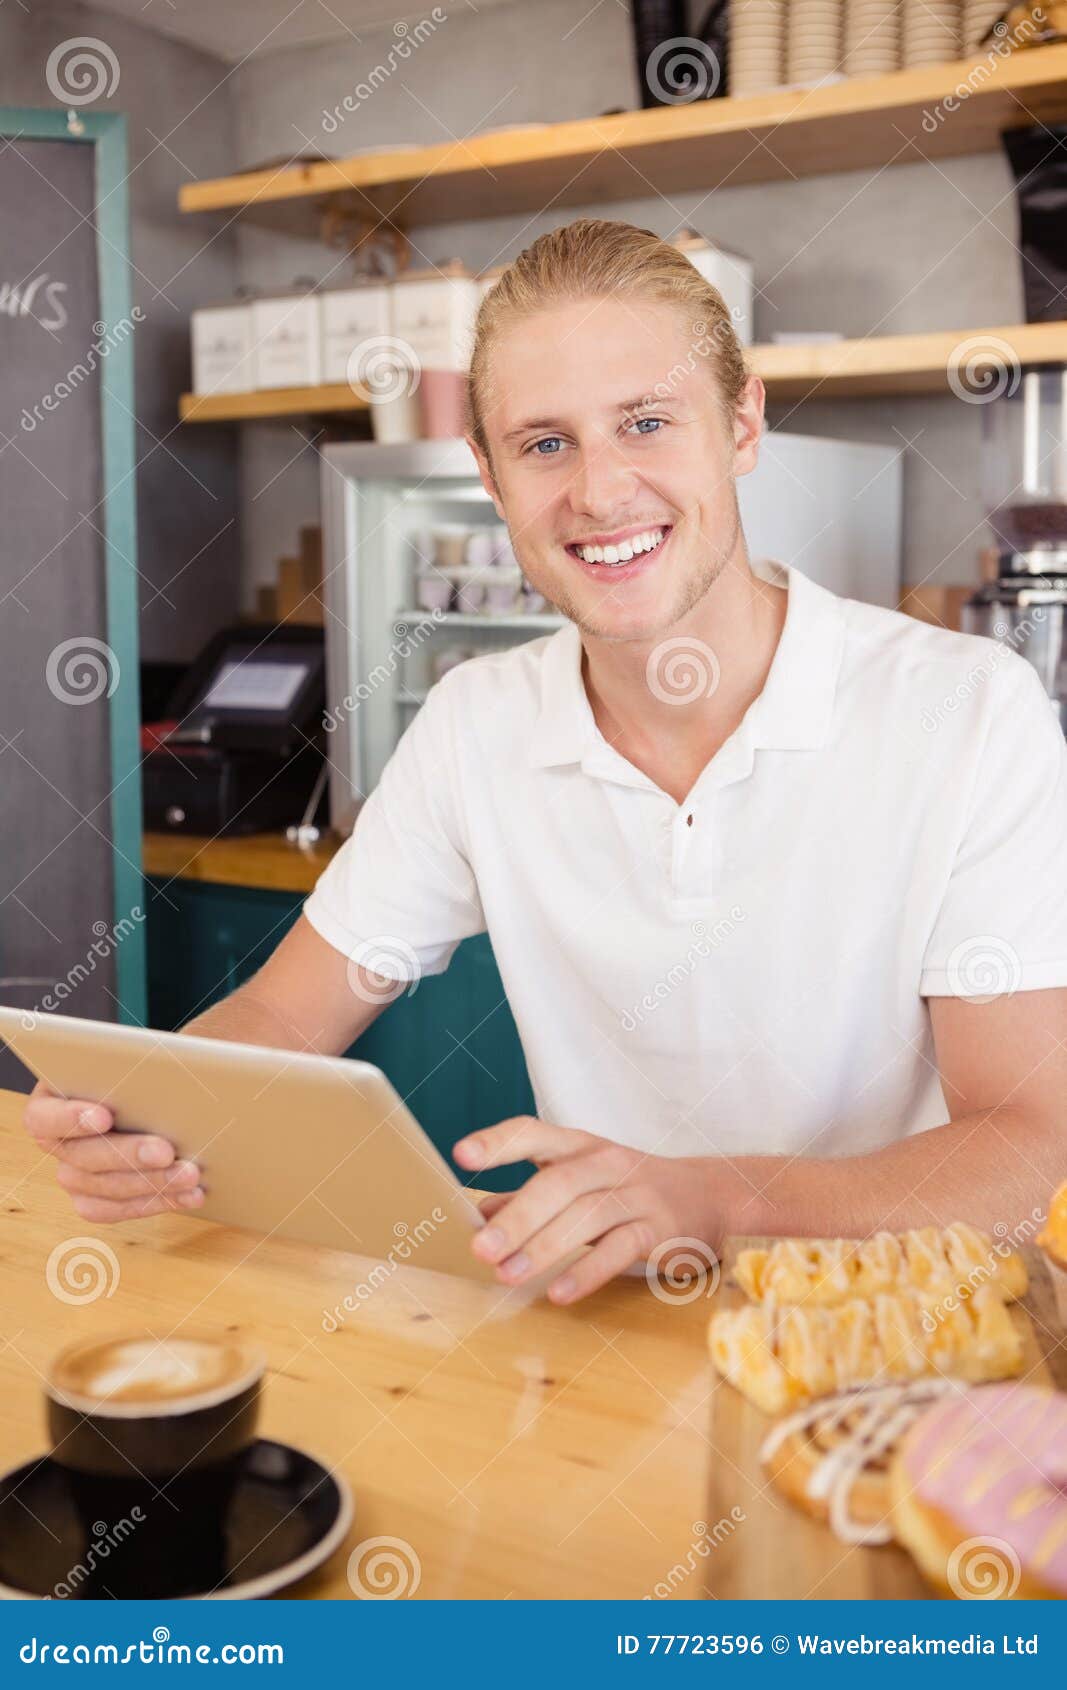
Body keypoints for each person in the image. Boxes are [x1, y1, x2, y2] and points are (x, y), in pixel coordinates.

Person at [24, 218, 1067, 1305]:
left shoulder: (965, 710)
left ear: (742, 422)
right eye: (544, 443)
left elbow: (1030, 1146)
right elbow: (284, 1019)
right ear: (487, 472)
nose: (601, 492)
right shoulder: (477, 723)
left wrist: (713, 1200)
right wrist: (147, 1111)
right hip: (604, 1324)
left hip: (905, 1341)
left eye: (647, 422)